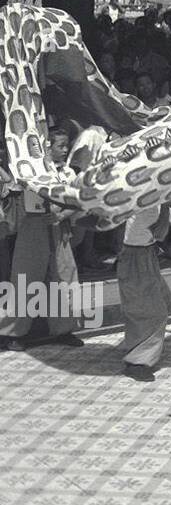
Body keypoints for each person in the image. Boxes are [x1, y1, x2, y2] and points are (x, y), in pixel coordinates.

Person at [0, 130, 83, 351]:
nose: (65, 150)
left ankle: (64, 329)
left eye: (66, 145)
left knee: (63, 277)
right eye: (60, 146)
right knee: (25, 278)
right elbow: (12, 187)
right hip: (32, 226)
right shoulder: (28, 170)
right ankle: (14, 333)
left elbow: (78, 200)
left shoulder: (68, 172)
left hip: (59, 226)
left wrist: (61, 215)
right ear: (47, 148)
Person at [118, 204, 171, 381]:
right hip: (136, 256)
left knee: (159, 300)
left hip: (145, 254)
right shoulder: (145, 201)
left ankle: (136, 345)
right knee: (150, 310)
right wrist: (167, 204)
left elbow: (169, 219)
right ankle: (138, 362)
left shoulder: (154, 197)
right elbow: (160, 232)